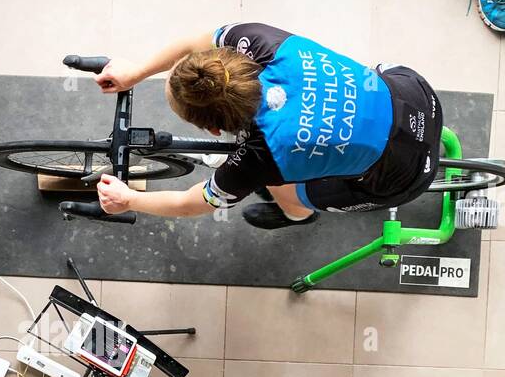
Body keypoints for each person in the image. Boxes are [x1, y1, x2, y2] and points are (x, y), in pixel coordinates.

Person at [93, 24, 443, 231]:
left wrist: (130, 200)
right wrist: (136, 71)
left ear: (216, 131)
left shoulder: (262, 157)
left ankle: (297, 216)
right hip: (415, 92)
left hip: (403, 176)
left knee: (285, 189)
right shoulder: (257, 41)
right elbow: (191, 45)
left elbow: (195, 202)